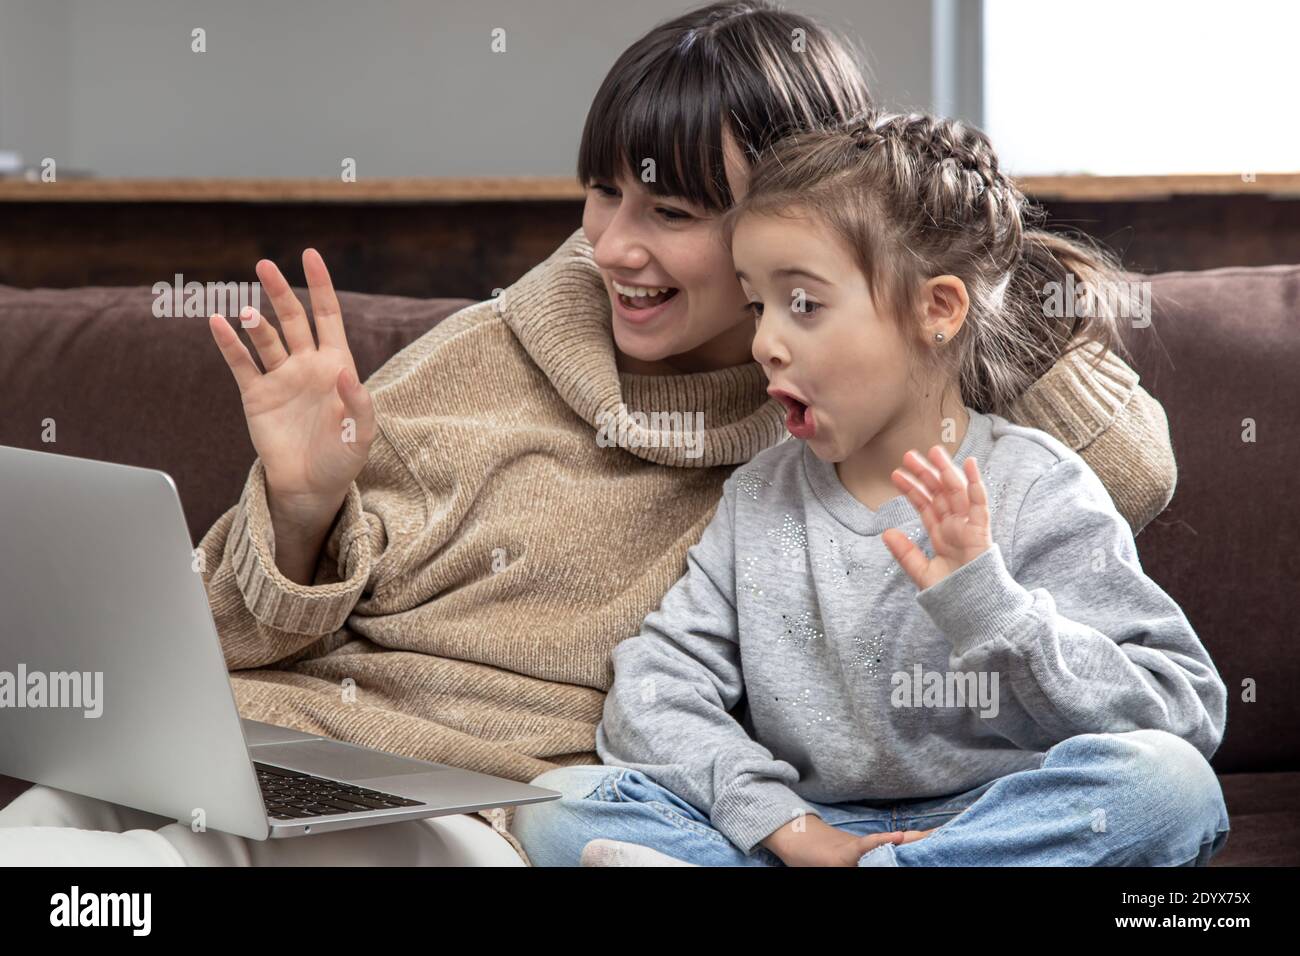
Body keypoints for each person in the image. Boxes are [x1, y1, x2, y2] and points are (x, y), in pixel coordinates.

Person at [0, 3, 1178, 867]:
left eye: (668, 212)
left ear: (789, 225)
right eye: (602, 193)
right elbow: (206, 649)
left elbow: (1129, 476)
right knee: (48, 843)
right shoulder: (490, 346)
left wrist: (954, 258)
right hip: (268, 746)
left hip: (465, 808)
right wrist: (302, 511)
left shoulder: (827, 431)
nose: (613, 246)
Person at [511, 110, 1229, 867]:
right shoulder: (761, 497)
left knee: (1171, 789)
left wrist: (993, 610)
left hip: (988, 824)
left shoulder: (1038, 486)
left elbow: (1180, 713)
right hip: (808, 830)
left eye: (804, 305)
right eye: (758, 305)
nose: (765, 342)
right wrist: (788, 828)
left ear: (937, 309)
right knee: (561, 807)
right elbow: (654, 694)